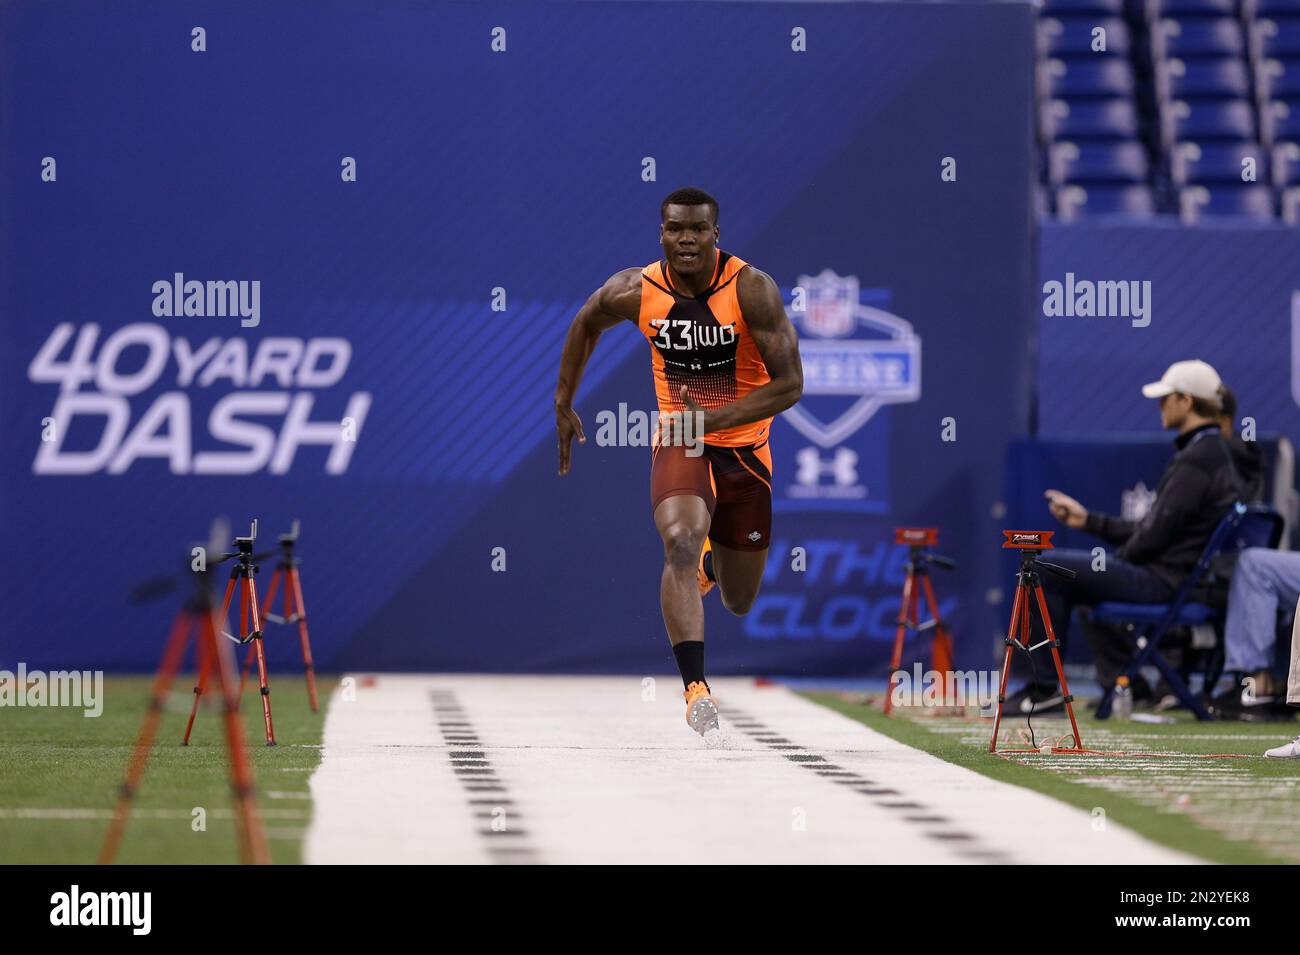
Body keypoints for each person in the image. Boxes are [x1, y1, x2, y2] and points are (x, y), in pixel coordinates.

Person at [553, 187, 803, 737]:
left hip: (745, 450)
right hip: (679, 437)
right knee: (680, 540)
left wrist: (714, 420)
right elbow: (585, 321)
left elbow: (791, 385)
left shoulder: (751, 290)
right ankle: (696, 690)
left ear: (716, 234)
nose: (685, 239)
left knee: (739, 600)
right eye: (674, 229)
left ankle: (713, 569)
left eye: (697, 230)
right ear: (661, 233)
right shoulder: (636, 289)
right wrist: (564, 400)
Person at [1006, 360, 1241, 713]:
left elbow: (1151, 538)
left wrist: (1117, 563)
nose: (1159, 406)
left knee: (1044, 568)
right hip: (1176, 577)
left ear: (1186, 401)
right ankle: (1132, 686)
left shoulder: (1198, 460)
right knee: (1079, 581)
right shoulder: (1207, 454)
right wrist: (1088, 521)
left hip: (1165, 582)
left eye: (1165, 398)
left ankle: (1041, 690)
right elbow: (1152, 532)